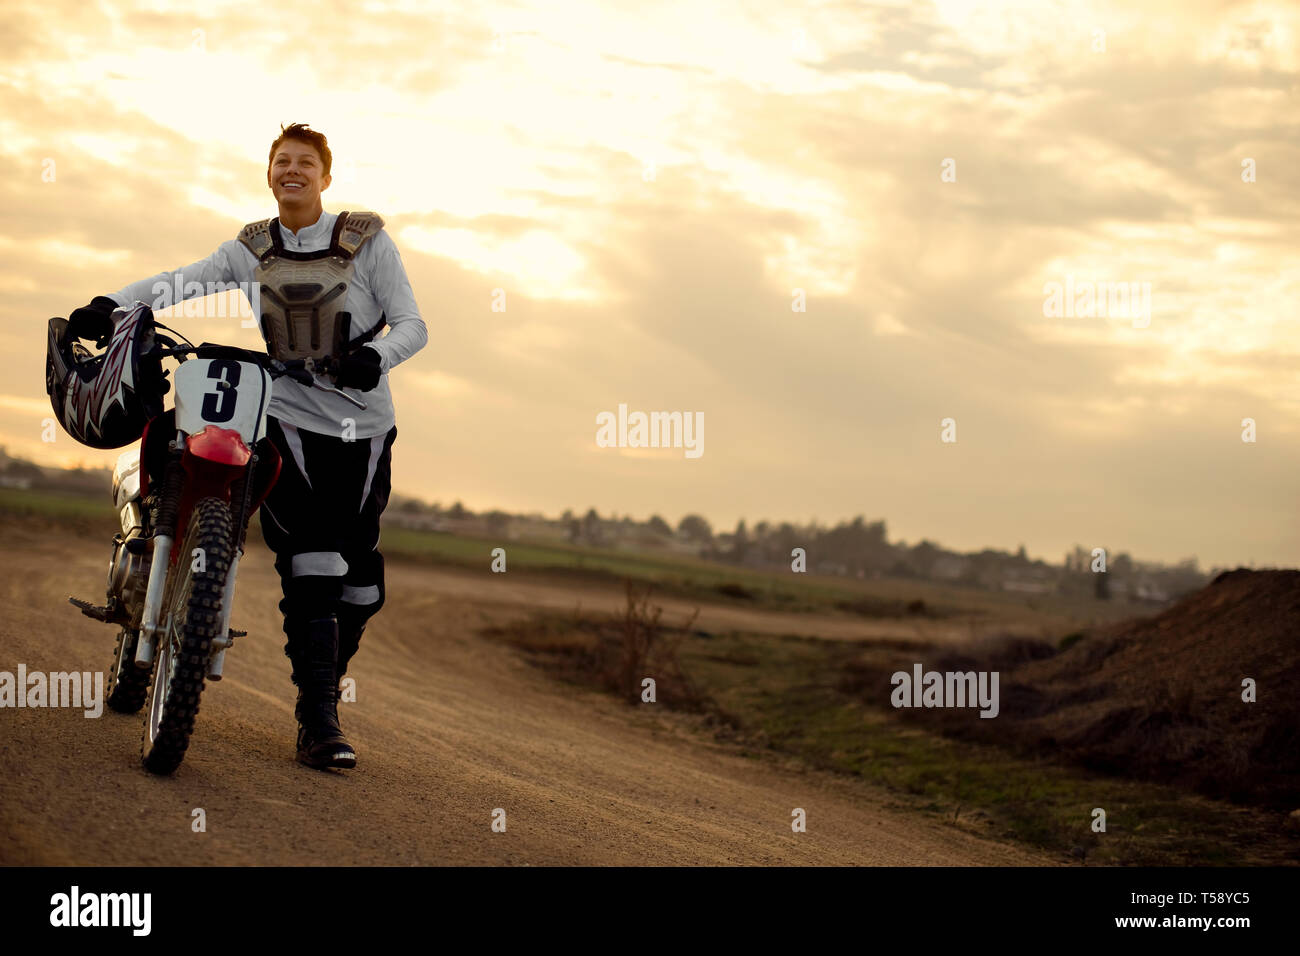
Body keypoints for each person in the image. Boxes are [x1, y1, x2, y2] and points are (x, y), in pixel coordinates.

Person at [65, 123, 428, 770]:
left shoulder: (367, 243)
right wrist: (107, 306)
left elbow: (413, 324)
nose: (293, 170)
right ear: (270, 175)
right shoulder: (251, 248)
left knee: (361, 586)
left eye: (306, 163)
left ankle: (322, 681)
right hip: (284, 416)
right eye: (282, 161)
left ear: (325, 176)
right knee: (312, 562)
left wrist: (375, 357)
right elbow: (180, 282)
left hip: (363, 430)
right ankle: (318, 720)